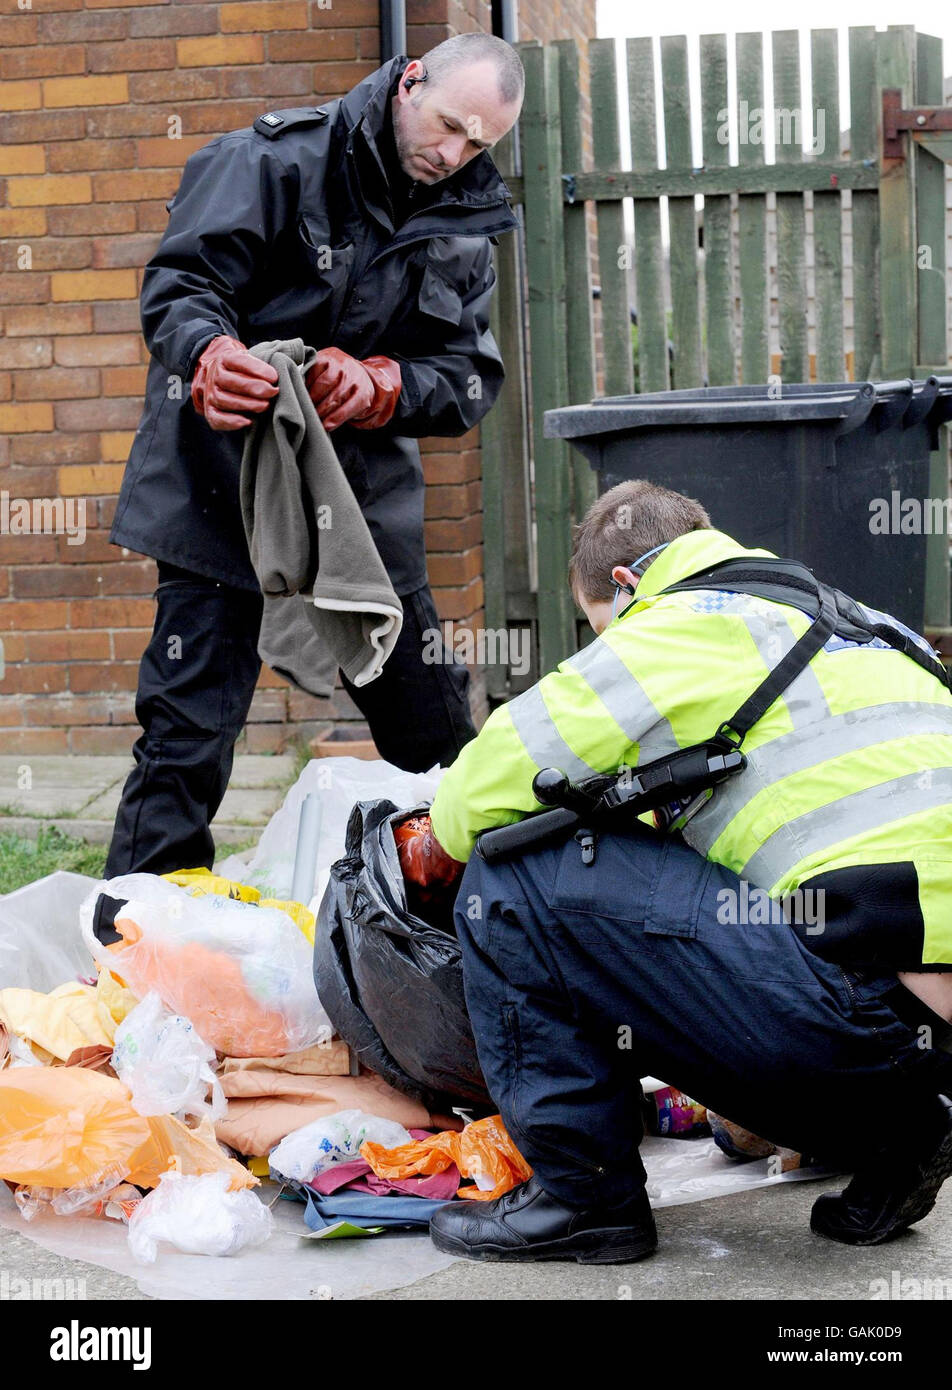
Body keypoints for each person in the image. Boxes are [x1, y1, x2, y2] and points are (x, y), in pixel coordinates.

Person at [397, 479, 952, 1262]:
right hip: (929, 1028)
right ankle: (906, 1128)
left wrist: (442, 849)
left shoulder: (684, 621)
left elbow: (473, 794)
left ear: (625, 586)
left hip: (854, 1010)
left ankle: (583, 1199)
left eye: (600, 630)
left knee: (513, 880)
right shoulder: (864, 625)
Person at [103, 35, 524, 883]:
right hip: (217, 487)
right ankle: (129, 941)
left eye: (478, 144)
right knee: (186, 736)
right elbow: (180, 288)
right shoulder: (267, 162)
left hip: (362, 507)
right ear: (410, 82)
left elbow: (469, 376)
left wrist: (384, 384)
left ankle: (488, 912)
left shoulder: (466, 227)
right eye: (446, 126)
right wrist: (208, 354)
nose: (453, 155)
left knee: (435, 726)